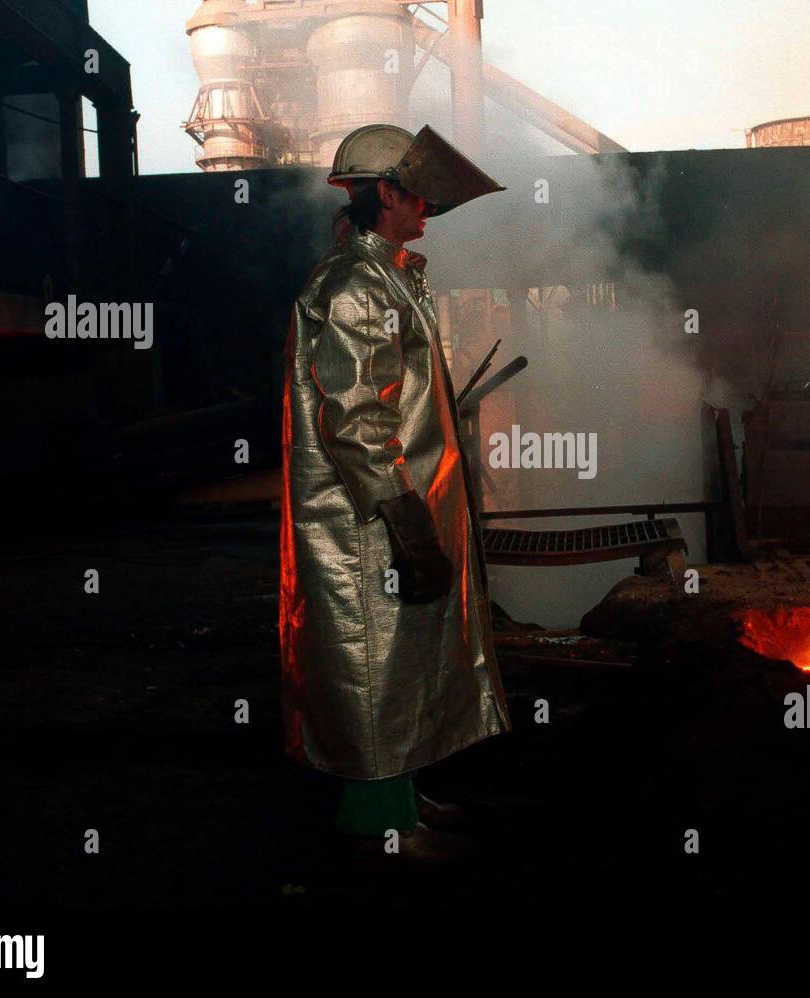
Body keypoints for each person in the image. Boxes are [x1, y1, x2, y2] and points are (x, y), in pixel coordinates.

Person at [279, 123, 511, 868]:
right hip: (370, 518)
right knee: (375, 664)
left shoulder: (385, 274)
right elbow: (354, 415)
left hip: (396, 504)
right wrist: (403, 514)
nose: (428, 211)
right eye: (418, 196)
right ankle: (378, 821)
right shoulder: (355, 287)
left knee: (405, 658)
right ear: (385, 192)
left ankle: (401, 797)